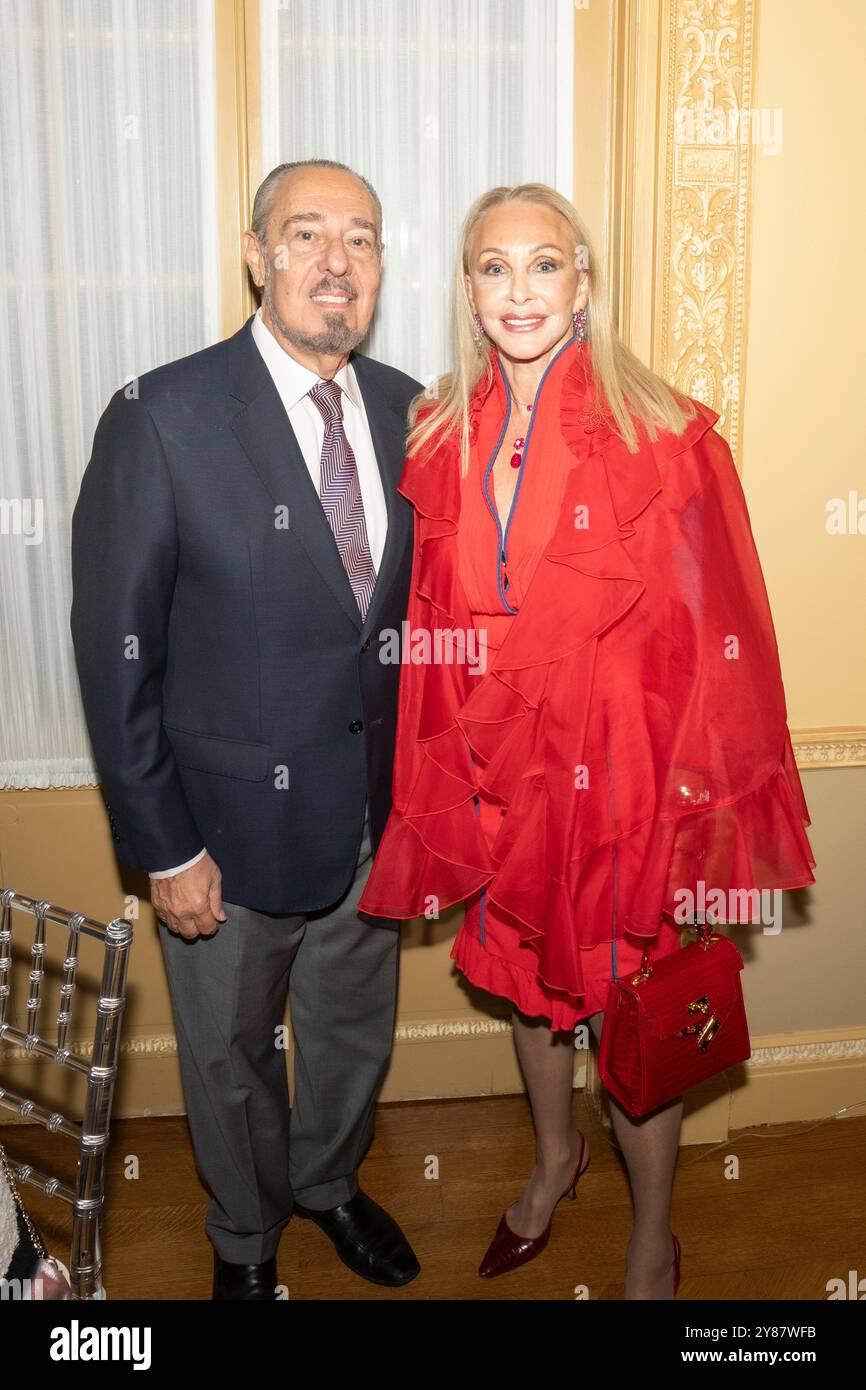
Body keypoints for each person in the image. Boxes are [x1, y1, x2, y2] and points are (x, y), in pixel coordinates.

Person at [358, 182, 816, 1298]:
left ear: (583, 283)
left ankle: (650, 1237)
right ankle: (554, 1159)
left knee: (631, 1009)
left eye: (543, 264)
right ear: (467, 291)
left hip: (622, 787)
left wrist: (698, 819)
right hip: (503, 776)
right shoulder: (433, 432)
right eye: (492, 266)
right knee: (528, 990)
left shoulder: (665, 436)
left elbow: (727, 642)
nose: (518, 289)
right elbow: (428, 628)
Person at [70, 159, 422, 1298]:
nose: (336, 261)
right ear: (256, 253)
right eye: (307, 234)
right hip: (220, 835)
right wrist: (164, 845)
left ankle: (325, 1186)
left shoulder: (411, 412)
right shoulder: (161, 414)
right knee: (226, 1058)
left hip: (374, 823)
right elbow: (115, 650)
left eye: (360, 240)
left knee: (350, 1036)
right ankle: (244, 1242)